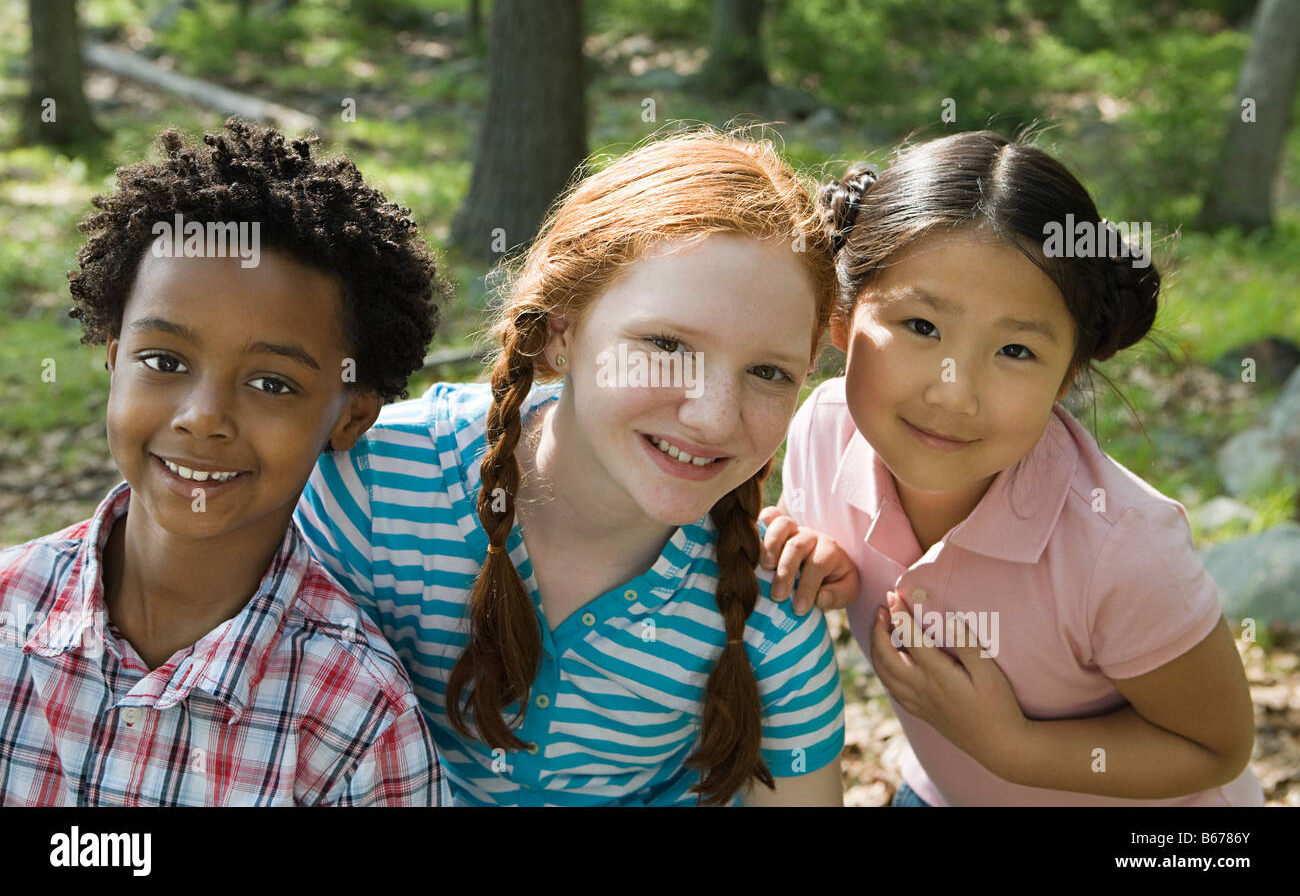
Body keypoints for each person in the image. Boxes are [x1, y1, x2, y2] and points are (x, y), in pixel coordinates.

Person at [295, 128, 854, 805]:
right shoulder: (370, 486)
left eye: (768, 371)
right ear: (561, 332)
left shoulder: (769, 602)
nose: (713, 416)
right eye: (667, 345)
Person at [764, 130, 1264, 806]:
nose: (954, 393)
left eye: (1017, 351)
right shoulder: (824, 432)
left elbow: (1215, 746)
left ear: (1067, 377)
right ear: (843, 315)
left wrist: (1012, 748)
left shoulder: (1120, 546)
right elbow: (835, 553)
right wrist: (820, 559)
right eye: (922, 327)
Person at [0, 119, 447, 806]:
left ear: (351, 414)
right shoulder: (7, 614)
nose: (202, 415)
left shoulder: (358, 722)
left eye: (272, 383)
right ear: (115, 361)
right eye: (164, 361)